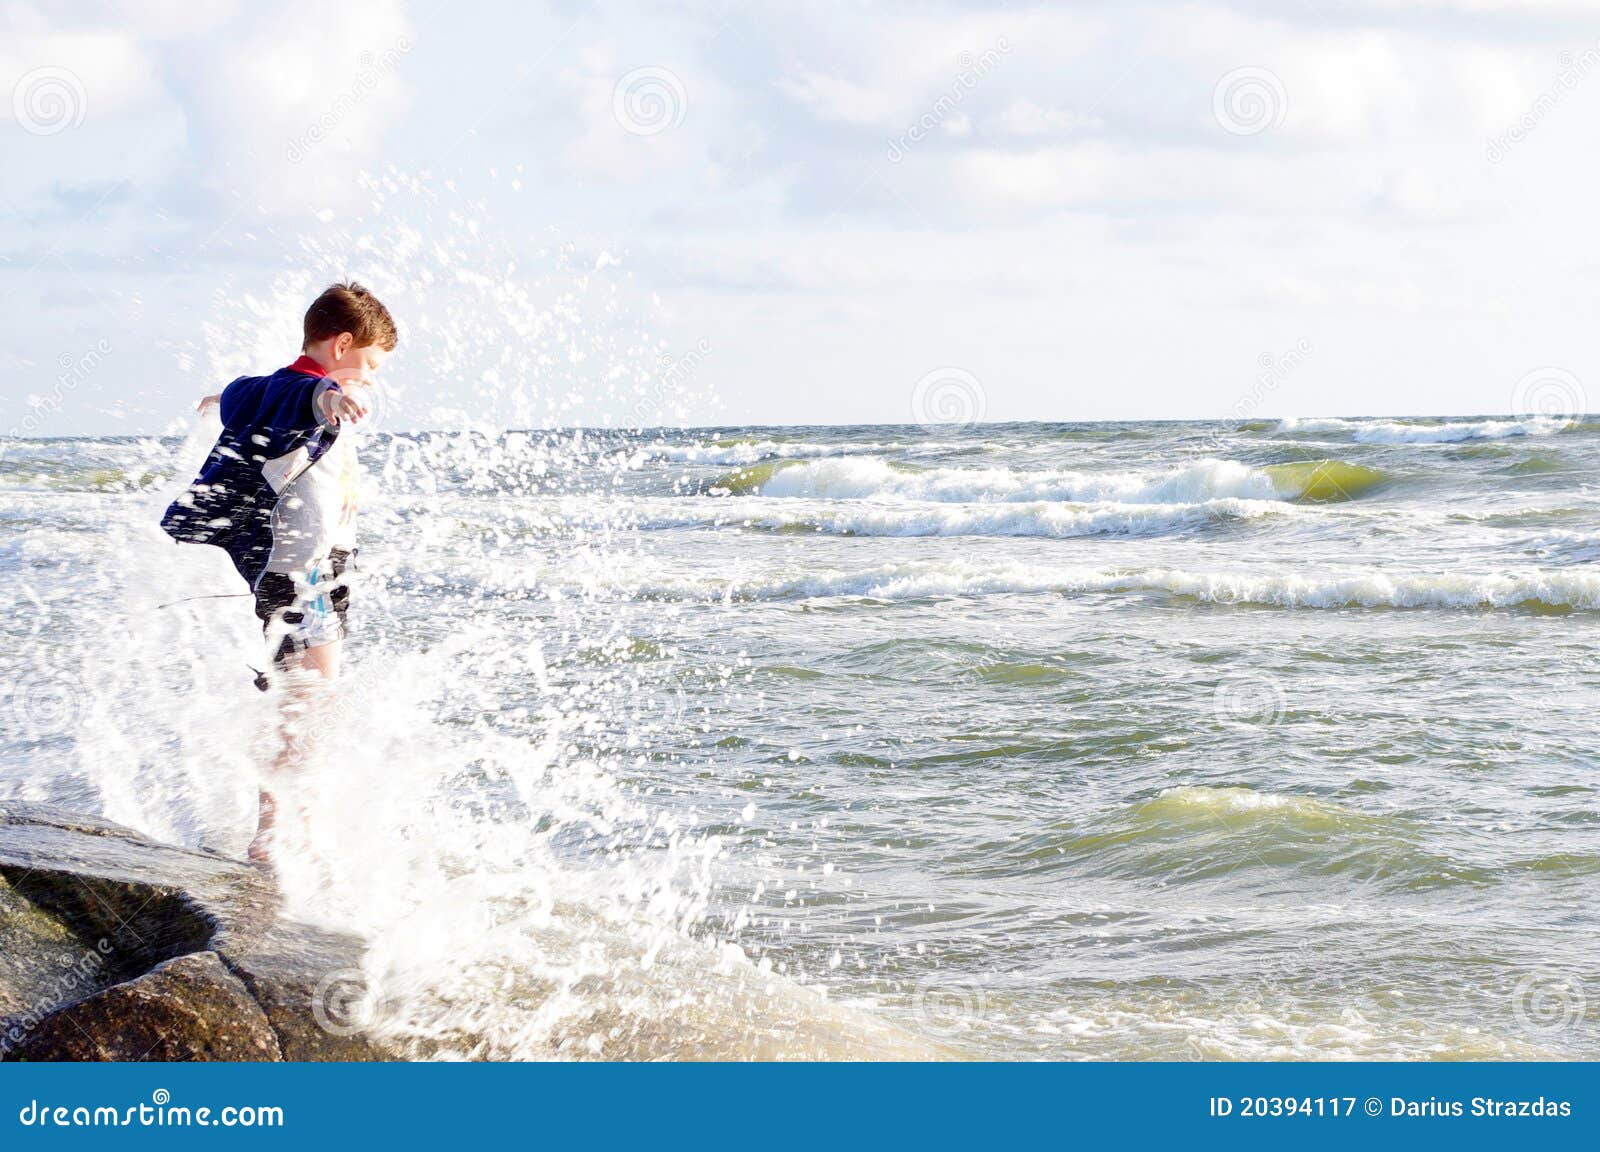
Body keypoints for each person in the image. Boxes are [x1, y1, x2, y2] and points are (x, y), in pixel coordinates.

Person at [161, 281, 398, 864]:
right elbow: (305, 401)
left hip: (314, 572)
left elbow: (260, 399)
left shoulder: (265, 389)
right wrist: (332, 400)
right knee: (308, 703)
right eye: (369, 364)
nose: (370, 378)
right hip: (300, 578)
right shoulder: (310, 391)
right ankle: (278, 836)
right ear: (341, 345)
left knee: (301, 701)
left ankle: (288, 829)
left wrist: (223, 401)